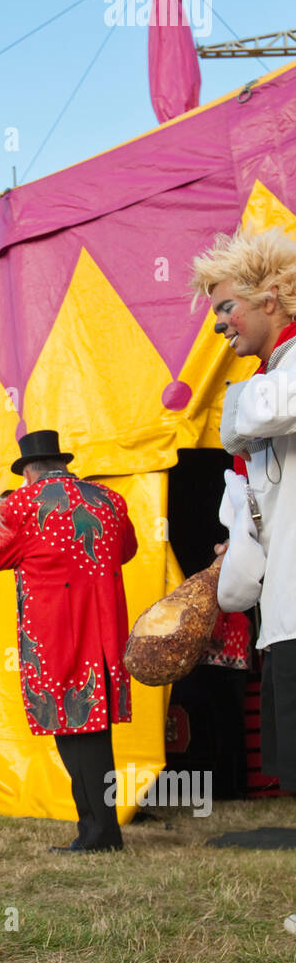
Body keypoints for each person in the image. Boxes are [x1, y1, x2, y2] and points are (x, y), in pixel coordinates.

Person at [0, 430, 137, 852]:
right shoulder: (109, 499)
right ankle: (99, 829)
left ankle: (99, 833)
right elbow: (126, 549)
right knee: (93, 732)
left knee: (77, 734)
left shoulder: (23, 503)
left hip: (57, 634)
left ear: (29, 472)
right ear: (62, 463)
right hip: (106, 631)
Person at [190, 228, 296, 792]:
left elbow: (250, 416)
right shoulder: (273, 376)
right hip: (284, 610)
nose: (219, 323)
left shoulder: (281, 378)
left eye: (227, 307)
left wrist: (235, 402)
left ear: (268, 299)